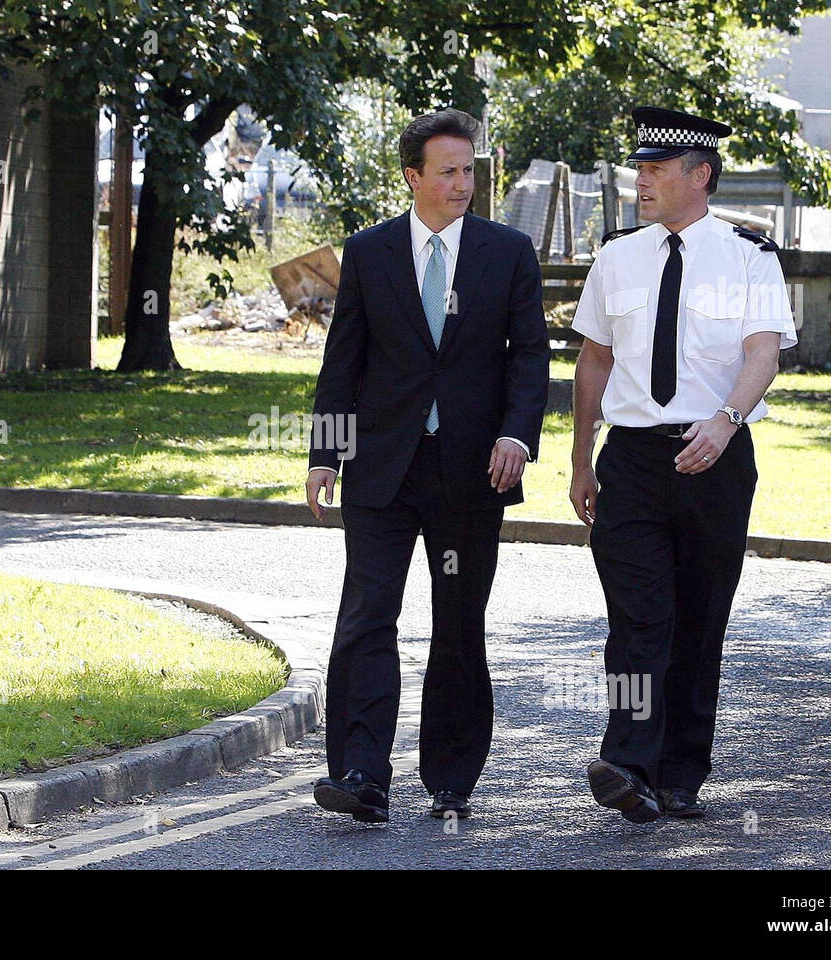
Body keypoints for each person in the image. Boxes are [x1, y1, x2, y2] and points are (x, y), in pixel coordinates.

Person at [305, 107, 550, 824]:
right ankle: (359, 772)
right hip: (382, 468)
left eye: (470, 169)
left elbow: (529, 357)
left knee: (458, 621)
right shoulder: (370, 251)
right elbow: (342, 362)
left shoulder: (507, 253)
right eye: (447, 171)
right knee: (367, 618)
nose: (463, 183)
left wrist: (518, 435)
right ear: (412, 177)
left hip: (474, 470)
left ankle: (451, 778)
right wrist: (326, 452)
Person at [569, 106, 797, 822]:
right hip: (632, 459)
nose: (640, 180)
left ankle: (680, 775)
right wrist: (582, 460)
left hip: (717, 459)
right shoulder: (615, 257)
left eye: (655, 169)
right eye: (638, 168)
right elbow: (594, 361)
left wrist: (727, 422)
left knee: (699, 620)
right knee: (638, 619)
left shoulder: (750, 256)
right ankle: (628, 764)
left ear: (699, 177)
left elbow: (763, 353)